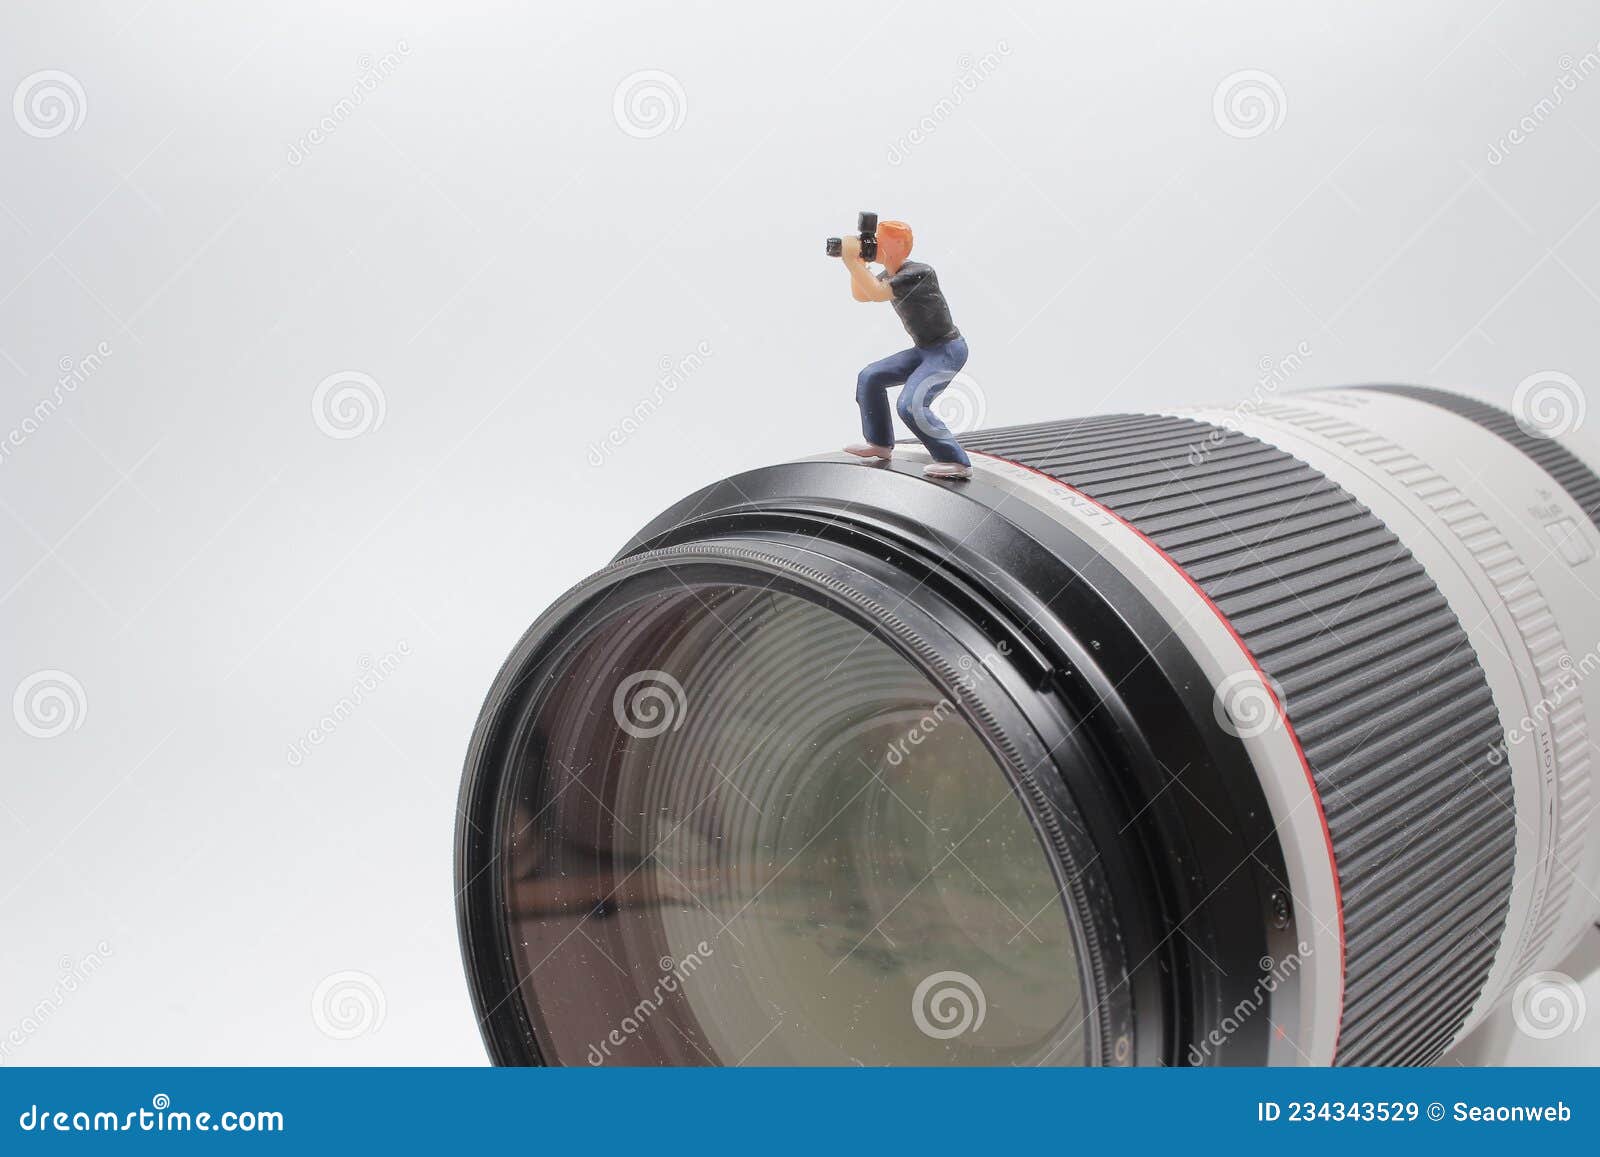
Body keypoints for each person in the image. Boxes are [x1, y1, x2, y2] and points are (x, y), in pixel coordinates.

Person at [837, 220, 972, 479]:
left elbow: (875, 293)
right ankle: (880, 443)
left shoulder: (919, 273)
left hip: (947, 350)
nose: (874, 244)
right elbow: (862, 294)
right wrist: (857, 264)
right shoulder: (889, 274)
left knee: (910, 404)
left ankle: (956, 461)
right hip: (923, 350)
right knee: (870, 377)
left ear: (898, 245)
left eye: (880, 241)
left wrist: (852, 261)